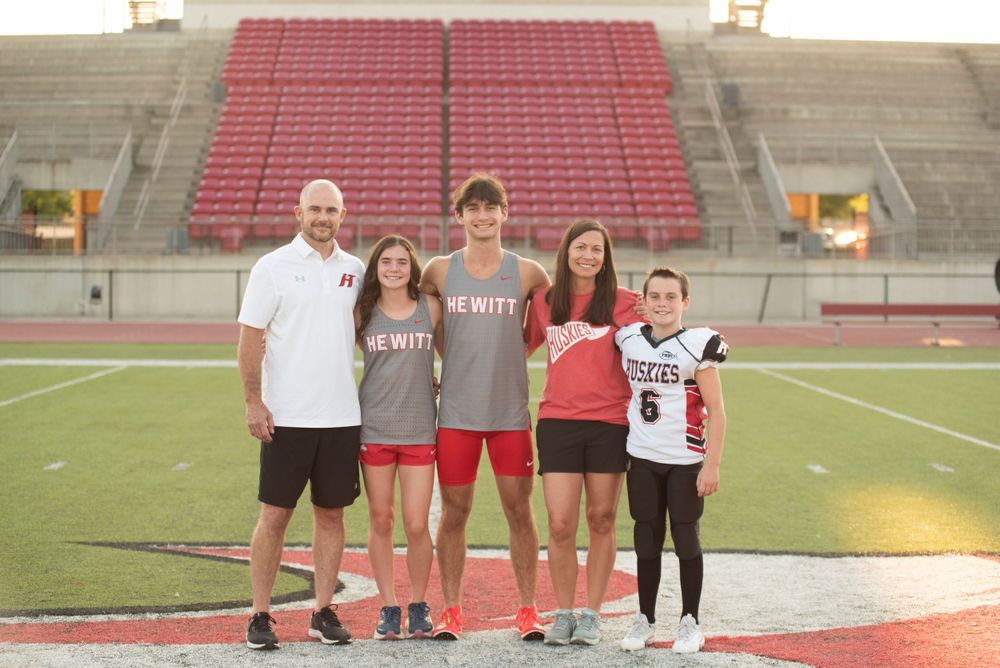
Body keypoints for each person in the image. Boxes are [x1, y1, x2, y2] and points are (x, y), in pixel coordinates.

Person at [418, 173, 551, 641]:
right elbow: (420, 320)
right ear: (459, 216)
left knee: (520, 512)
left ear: (504, 213)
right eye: (472, 207)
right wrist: (440, 356)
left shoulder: (529, 271)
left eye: (490, 206)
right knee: (454, 512)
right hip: (456, 415)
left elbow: (551, 322)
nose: (482, 214)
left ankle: (528, 610)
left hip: (509, 415)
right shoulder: (437, 270)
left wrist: (515, 355)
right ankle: (451, 610)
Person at [237, 179, 363, 651]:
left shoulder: (355, 269)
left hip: (340, 417)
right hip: (285, 417)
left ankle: (322, 610)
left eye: (331, 209)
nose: (322, 217)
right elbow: (250, 338)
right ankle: (260, 614)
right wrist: (254, 401)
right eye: (315, 209)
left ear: (343, 215)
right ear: (298, 213)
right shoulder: (272, 267)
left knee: (331, 515)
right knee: (274, 516)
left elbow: (367, 335)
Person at [523, 219, 644, 646]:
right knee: (559, 524)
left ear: (606, 257)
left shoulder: (627, 303)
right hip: (557, 422)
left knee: (602, 517)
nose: (588, 255)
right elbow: (521, 347)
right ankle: (563, 613)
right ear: (566, 252)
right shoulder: (544, 301)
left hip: (610, 423)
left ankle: (591, 613)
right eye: (581, 247)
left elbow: (657, 343)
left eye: (597, 249)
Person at [614, 267, 728, 654]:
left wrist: (712, 464)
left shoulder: (698, 344)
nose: (663, 304)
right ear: (643, 301)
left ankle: (690, 621)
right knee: (646, 538)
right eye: (655, 297)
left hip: (684, 458)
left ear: (685, 303)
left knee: (685, 538)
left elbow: (718, 409)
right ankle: (645, 619)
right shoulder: (628, 338)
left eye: (671, 297)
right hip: (642, 456)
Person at [355, 235, 443, 640]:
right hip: (374, 426)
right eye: (386, 261)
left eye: (401, 262)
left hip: (419, 428)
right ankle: (389, 605)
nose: (393, 268)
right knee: (381, 519)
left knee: (415, 523)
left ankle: (420, 603)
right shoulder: (362, 313)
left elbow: (455, 350)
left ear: (412, 268)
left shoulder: (431, 308)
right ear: (376, 266)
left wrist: (439, 380)